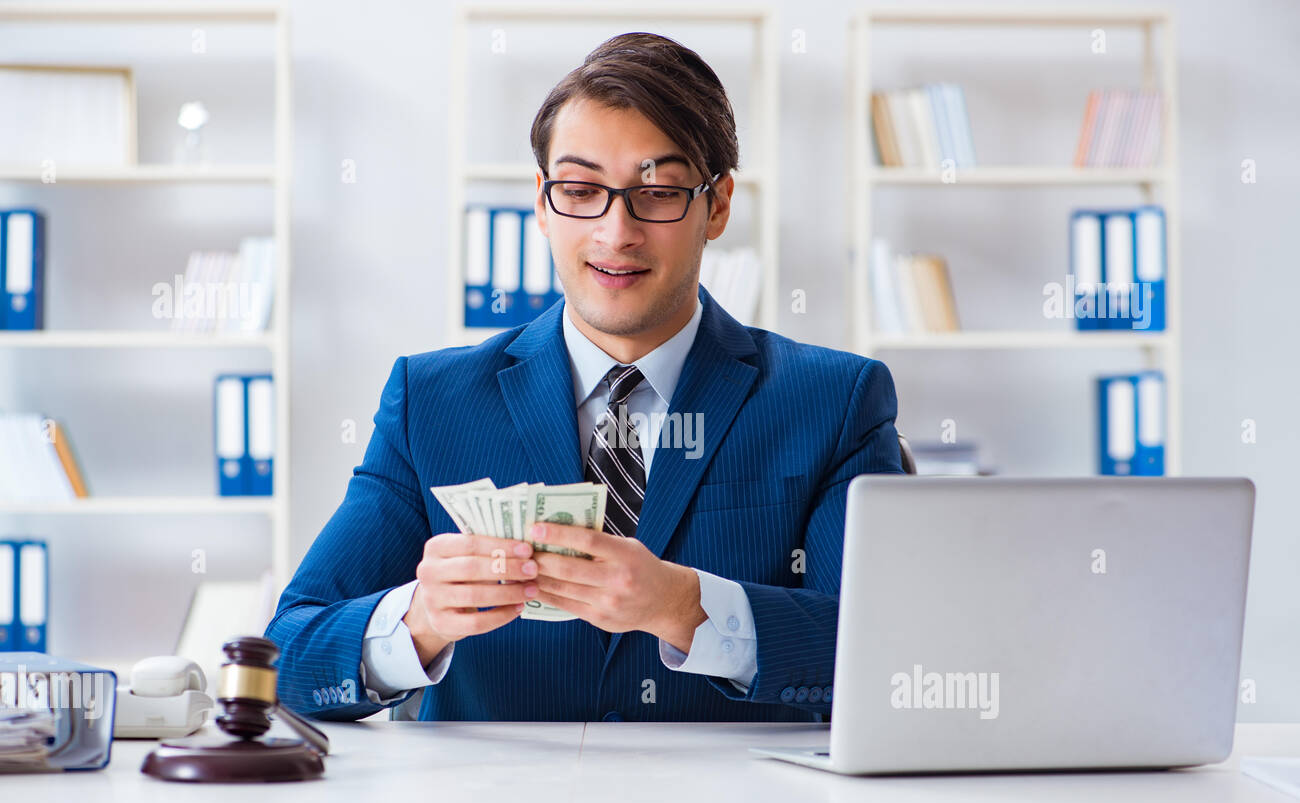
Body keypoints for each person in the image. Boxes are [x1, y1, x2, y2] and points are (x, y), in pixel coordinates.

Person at [267, 32, 904, 723]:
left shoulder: (834, 401)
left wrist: (688, 608)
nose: (615, 231)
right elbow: (285, 656)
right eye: (580, 190)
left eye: (656, 192)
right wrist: (415, 624)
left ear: (717, 205)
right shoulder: (433, 402)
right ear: (542, 203)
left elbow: (889, 656)